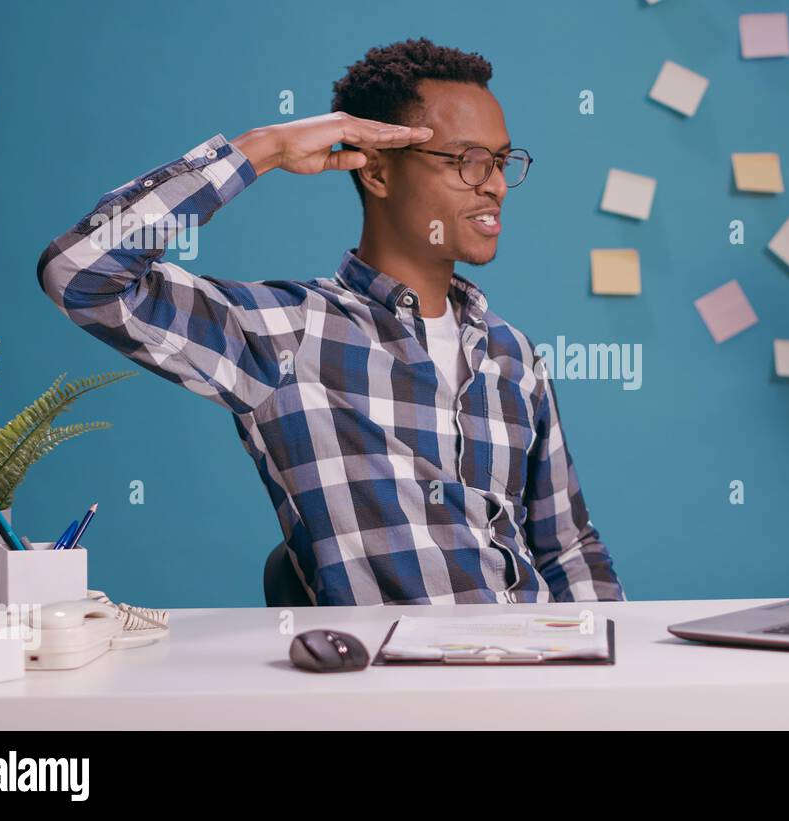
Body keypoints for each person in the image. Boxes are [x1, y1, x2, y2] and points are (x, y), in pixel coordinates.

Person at [37, 38, 624, 606]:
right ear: (377, 173)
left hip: (538, 679)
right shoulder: (287, 333)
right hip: (398, 691)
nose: (494, 184)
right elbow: (82, 273)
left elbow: (568, 549)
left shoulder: (511, 355)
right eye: (467, 160)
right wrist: (261, 149)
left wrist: (610, 674)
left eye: (499, 161)